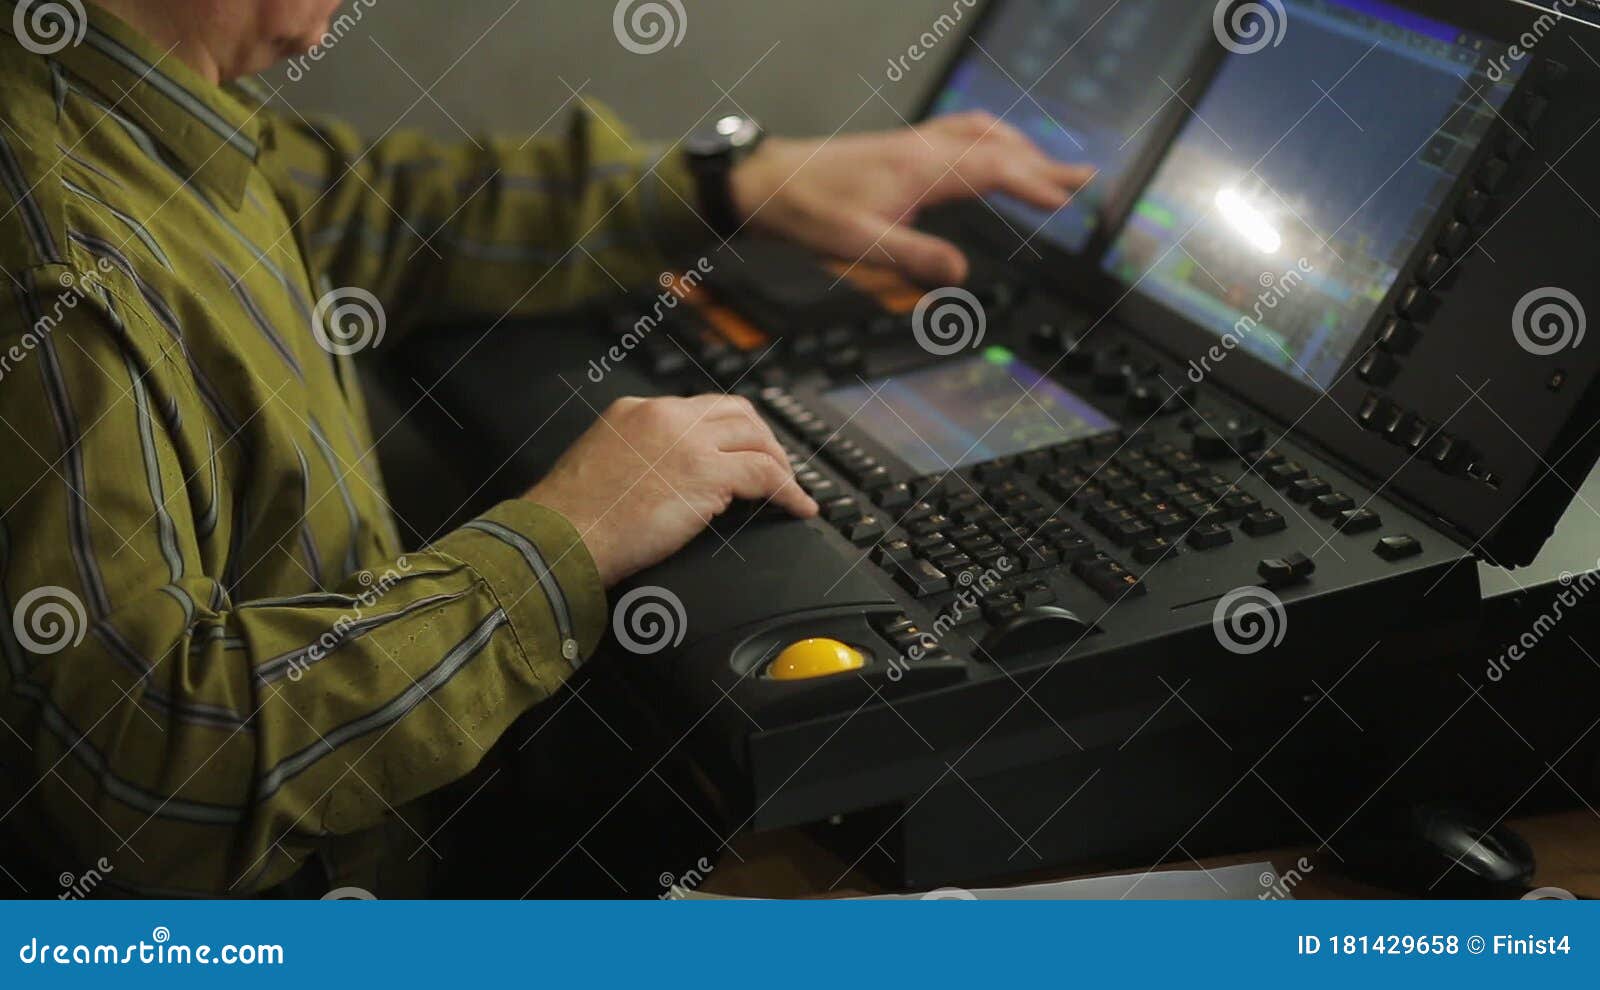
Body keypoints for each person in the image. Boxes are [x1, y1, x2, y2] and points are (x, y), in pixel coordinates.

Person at [0, 0, 1088, 896]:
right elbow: (152, 786)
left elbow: (362, 203)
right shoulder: (56, 271)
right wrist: (562, 539)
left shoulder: (127, 106)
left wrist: (731, 181)